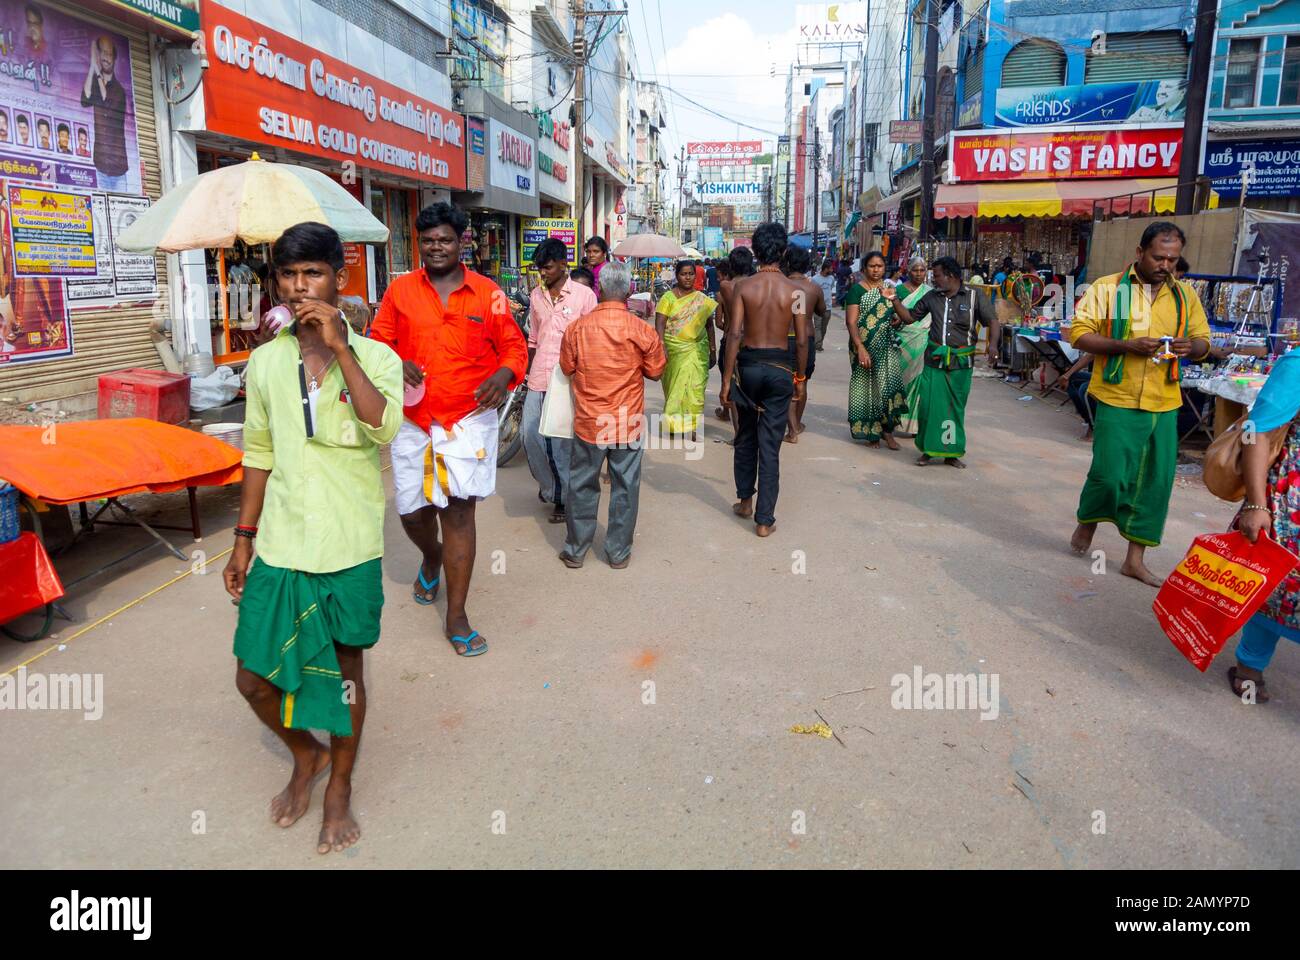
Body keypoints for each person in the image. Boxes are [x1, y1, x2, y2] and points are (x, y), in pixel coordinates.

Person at [223, 222, 403, 856]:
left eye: (314, 274)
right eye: (289, 276)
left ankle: (339, 790)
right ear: (278, 283)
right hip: (281, 543)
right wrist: (243, 538)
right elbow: (258, 451)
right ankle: (308, 754)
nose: (301, 289)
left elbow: (382, 430)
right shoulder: (266, 360)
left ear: (338, 277)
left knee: (348, 674)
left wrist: (341, 349)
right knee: (252, 678)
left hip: (350, 544)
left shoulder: (378, 358)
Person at [370, 202, 527, 655]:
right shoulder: (400, 291)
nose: (436, 247)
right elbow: (378, 341)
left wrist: (504, 375)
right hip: (414, 420)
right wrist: (395, 362)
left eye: (445, 239)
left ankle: (456, 615)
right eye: (429, 240)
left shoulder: (488, 293)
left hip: (467, 419)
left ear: (462, 242)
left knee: (459, 512)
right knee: (411, 510)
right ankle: (431, 554)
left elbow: (514, 347)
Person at [1068, 221, 1210, 585]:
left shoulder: (1185, 297)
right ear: (1140, 253)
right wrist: (1126, 345)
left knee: (1155, 483)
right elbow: (1080, 335)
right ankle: (1089, 520)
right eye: (1159, 257)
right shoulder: (1108, 289)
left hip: (1165, 400)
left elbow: (1203, 342)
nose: (1165, 265)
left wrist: (1189, 347)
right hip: (1118, 395)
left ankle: (1135, 559)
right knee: (1109, 475)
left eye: (1173, 260)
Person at [558, 261, 666, 569]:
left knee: (581, 484)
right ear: (630, 289)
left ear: (599, 289)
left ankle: (576, 549)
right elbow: (656, 371)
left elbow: (567, 368)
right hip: (626, 421)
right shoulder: (640, 330)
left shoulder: (577, 328)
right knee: (625, 486)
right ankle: (618, 553)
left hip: (589, 421)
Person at [721, 222, 808, 537]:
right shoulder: (795, 291)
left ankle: (745, 501)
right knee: (770, 446)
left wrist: (726, 380)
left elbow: (734, 334)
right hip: (781, 368)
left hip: (749, 367)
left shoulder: (744, 287)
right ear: (783, 251)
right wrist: (799, 376)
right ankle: (763, 520)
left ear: (755, 252)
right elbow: (800, 340)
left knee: (746, 437)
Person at [1231, 348, 1300, 703]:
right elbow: (1253, 432)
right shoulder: (1296, 365)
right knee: (1274, 586)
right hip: (1290, 500)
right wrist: (1257, 504)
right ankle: (1249, 667)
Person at [892, 256, 1000, 468]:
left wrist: (994, 345)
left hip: (961, 364)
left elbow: (993, 321)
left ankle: (951, 453)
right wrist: (894, 300)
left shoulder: (975, 296)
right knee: (929, 407)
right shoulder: (932, 297)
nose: (934, 279)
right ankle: (928, 451)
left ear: (951, 276)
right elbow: (909, 317)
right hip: (934, 361)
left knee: (954, 409)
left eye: (937, 275)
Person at [524, 237, 597, 523]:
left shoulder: (584, 296)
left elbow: (593, 338)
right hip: (539, 375)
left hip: (570, 378)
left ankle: (563, 498)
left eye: (548, 267)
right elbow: (533, 337)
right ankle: (552, 487)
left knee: (560, 442)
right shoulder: (535, 296)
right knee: (530, 436)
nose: (543, 273)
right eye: (540, 268)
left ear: (563, 265)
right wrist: (527, 371)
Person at [844, 251, 908, 450]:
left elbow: (901, 315)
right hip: (863, 346)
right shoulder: (857, 290)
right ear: (864, 269)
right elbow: (851, 322)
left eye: (879, 266)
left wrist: (894, 318)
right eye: (872, 266)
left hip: (886, 346)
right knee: (868, 387)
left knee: (888, 387)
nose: (876, 269)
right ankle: (871, 431)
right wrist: (860, 347)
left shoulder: (890, 289)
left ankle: (887, 431)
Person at [655, 260, 717, 439]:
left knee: (696, 389)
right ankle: (674, 426)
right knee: (675, 388)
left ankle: (693, 425)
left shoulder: (702, 299)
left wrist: (713, 349)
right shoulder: (668, 298)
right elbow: (660, 324)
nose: (687, 277)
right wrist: (661, 346)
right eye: (683, 274)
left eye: (691, 274)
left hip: (698, 350)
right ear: (677, 276)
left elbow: (709, 325)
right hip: (673, 349)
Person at [781, 245, 824, 443]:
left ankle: (791, 428)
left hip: (783, 338)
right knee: (802, 381)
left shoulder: (781, 285)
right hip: (806, 338)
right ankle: (796, 424)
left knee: (787, 384)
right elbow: (822, 311)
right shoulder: (813, 287)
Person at [81, 35, 131, 192]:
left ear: (114, 58)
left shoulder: (118, 91)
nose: (105, 58)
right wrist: (91, 67)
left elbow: (105, 99)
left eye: (109, 54)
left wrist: (97, 72)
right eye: (101, 53)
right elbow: (85, 99)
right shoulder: (97, 84)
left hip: (118, 168)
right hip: (101, 165)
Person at [714, 247, 755, 434]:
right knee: (749, 388)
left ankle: (739, 433)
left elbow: (721, 321)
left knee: (732, 388)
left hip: (730, 338)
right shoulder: (757, 285)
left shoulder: (726, 287)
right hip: (752, 341)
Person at [894, 256, 932, 438]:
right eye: (915, 270)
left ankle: (913, 426)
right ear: (908, 271)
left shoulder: (930, 292)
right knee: (899, 381)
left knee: (918, 383)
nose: (919, 273)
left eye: (922, 270)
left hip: (923, 342)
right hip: (901, 341)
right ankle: (893, 420)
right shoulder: (898, 291)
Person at [812, 260, 837, 351]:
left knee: (824, 327)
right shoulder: (815, 279)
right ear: (825, 269)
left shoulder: (831, 278)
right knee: (818, 326)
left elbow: (830, 288)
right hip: (817, 307)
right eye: (830, 268)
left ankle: (819, 342)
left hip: (828, 307)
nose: (832, 270)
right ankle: (818, 344)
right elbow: (813, 292)